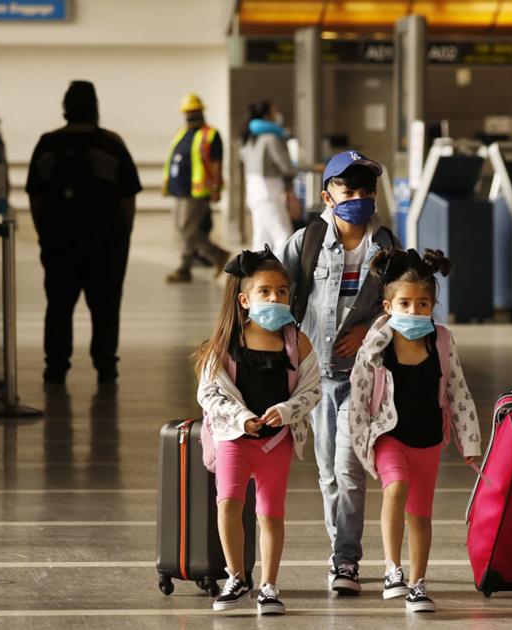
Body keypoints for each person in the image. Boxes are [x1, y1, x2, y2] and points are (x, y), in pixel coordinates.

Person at [279, 150, 400, 595]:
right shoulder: (306, 242)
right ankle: (339, 547)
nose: (358, 199)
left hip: (361, 378)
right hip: (317, 378)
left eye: (366, 192)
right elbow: (280, 298)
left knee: (348, 470)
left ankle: (345, 560)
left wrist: (371, 326)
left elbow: (404, 307)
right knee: (327, 472)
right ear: (328, 195)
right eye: (348, 191)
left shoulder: (386, 248)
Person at [348, 248, 482, 613]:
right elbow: (359, 396)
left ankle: (418, 583)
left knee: (421, 514)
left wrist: (470, 442)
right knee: (396, 487)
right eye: (404, 303)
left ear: (432, 306)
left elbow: (457, 390)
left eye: (422, 304)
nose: (413, 311)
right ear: (388, 306)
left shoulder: (440, 341)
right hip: (389, 435)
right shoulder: (377, 345)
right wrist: (362, 443)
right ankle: (393, 568)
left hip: (428, 439)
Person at [196, 247, 322, 616]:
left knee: (270, 513)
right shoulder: (225, 343)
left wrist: (285, 412)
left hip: (276, 443)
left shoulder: (297, 343)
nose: (274, 299)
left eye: (282, 292)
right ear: (244, 299)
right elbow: (208, 392)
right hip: (234, 439)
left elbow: (312, 389)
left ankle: (269, 584)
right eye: (264, 292)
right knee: (229, 505)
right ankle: (235, 576)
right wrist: (239, 419)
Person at [26, 80, 141, 385]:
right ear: (95, 107)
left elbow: (35, 195)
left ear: (65, 107)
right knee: (105, 306)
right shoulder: (111, 144)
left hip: (60, 242)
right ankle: (105, 366)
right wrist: (123, 236)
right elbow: (127, 196)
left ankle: (56, 365)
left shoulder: (48, 144)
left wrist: (44, 234)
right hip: (105, 244)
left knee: (59, 305)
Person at [164, 92, 230, 283]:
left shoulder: (211, 134)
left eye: (194, 111)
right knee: (182, 229)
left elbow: (216, 163)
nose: (191, 115)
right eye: (188, 112)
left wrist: (216, 188)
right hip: (179, 190)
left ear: (202, 111)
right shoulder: (182, 133)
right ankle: (201, 260)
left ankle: (201, 261)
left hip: (198, 191)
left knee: (188, 231)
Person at [241, 101, 298, 251]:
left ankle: (257, 272)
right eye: (275, 111)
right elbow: (285, 166)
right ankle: (282, 272)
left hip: (254, 190)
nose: (278, 114)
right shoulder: (271, 138)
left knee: (262, 237)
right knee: (283, 235)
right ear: (267, 115)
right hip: (269, 191)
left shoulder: (250, 138)